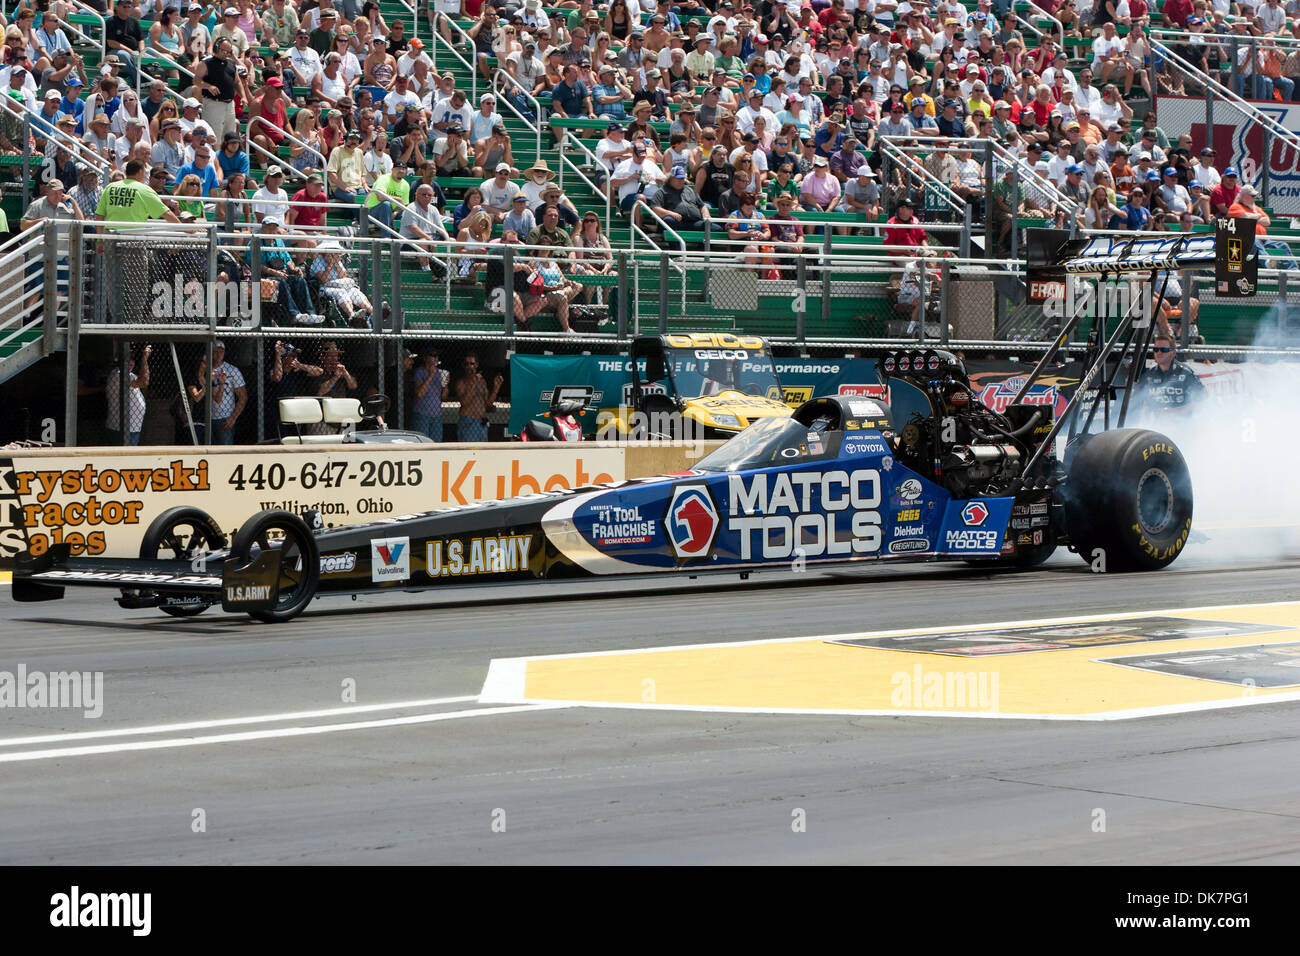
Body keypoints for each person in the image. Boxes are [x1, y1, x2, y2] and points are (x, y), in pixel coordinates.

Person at [1138, 334, 1206, 413]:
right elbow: (1140, 401)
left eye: (1164, 350)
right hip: (1157, 423)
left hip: (1183, 422)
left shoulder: (1185, 373)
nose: (1159, 353)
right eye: (1156, 349)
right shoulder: (1149, 375)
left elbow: (1202, 399)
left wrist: (1174, 411)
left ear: (1173, 353)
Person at [106, 344, 150, 445]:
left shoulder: (130, 375)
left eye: (132, 359)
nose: (130, 362)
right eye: (127, 359)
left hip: (131, 427)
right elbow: (144, 382)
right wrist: (144, 359)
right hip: (123, 429)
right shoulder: (118, 374)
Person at [454, 352, 503, 441]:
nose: (469, 366)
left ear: (476, 365)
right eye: (466, 364)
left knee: (482, 452)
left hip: (481, 423)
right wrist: (474, 383)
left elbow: (488, 404)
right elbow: (464, 402)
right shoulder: (461, 382)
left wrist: (496, 388)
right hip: (468, 422)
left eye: (471, 364)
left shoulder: (482, 382)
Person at [208, 340, 247, 444]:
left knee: (224, 451)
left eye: (221, 351)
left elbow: (243, 397)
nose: (218, 354)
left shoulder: (232, 370)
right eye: (215, 351)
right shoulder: (205, 369)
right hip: (208, 417)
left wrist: (233, 418)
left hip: (225, 417)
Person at [411, 347, 449, 441]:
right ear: (425, 358)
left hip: (437, 415)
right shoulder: (419, 372)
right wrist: (430, 376)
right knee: (422, 442)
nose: (436, 358)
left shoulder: (440, 373)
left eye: (437, 356)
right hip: (422, 414)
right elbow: (419, 393)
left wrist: (445, 384)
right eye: (433, 355)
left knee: (436, 442)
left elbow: (443, 396)